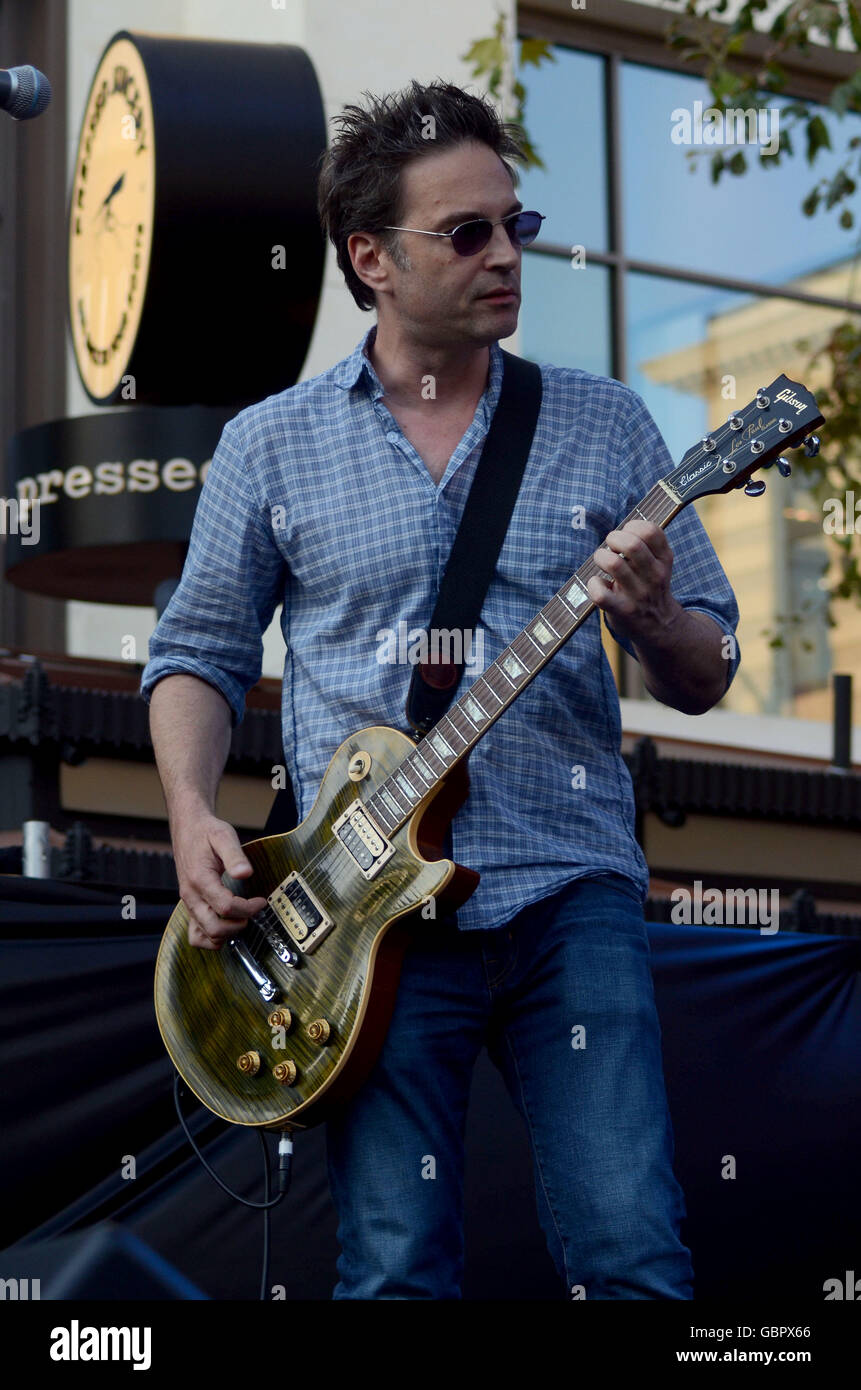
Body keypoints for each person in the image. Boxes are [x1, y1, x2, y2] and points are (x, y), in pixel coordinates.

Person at [140, 79, 740, 1300]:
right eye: (465, 233)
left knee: (633, 1252)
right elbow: (196, 651)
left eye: (514, 224)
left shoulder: (608, 423)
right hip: (358, 928)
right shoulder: (271, 443)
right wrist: (193, 816)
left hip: (568, 890)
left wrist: (659, 618)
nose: (506, 254)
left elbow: (710, 668)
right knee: (397, 1271)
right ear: (370, 258)